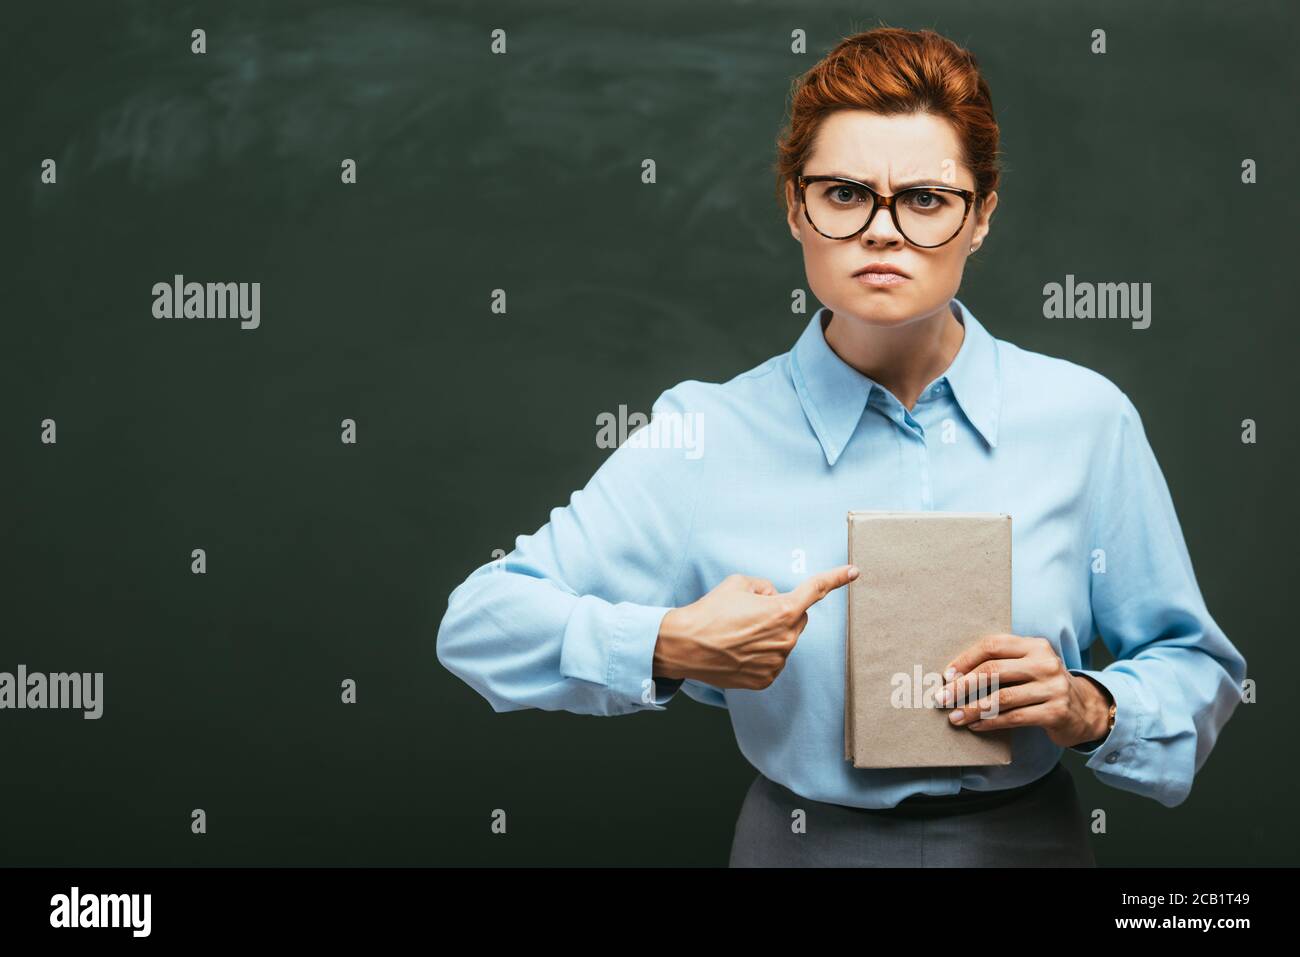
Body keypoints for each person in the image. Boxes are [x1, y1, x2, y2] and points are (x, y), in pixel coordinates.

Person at [436, 26, 1248, 866]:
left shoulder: (1088, 418)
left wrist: (1091, 706)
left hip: (1032, 844)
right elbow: (478, 624)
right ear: (795, 205)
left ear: (982, 218)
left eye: (927, 199)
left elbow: (1196, 666)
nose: (885, 232)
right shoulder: (702, 431)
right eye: (846, 193)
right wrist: (665, 643)